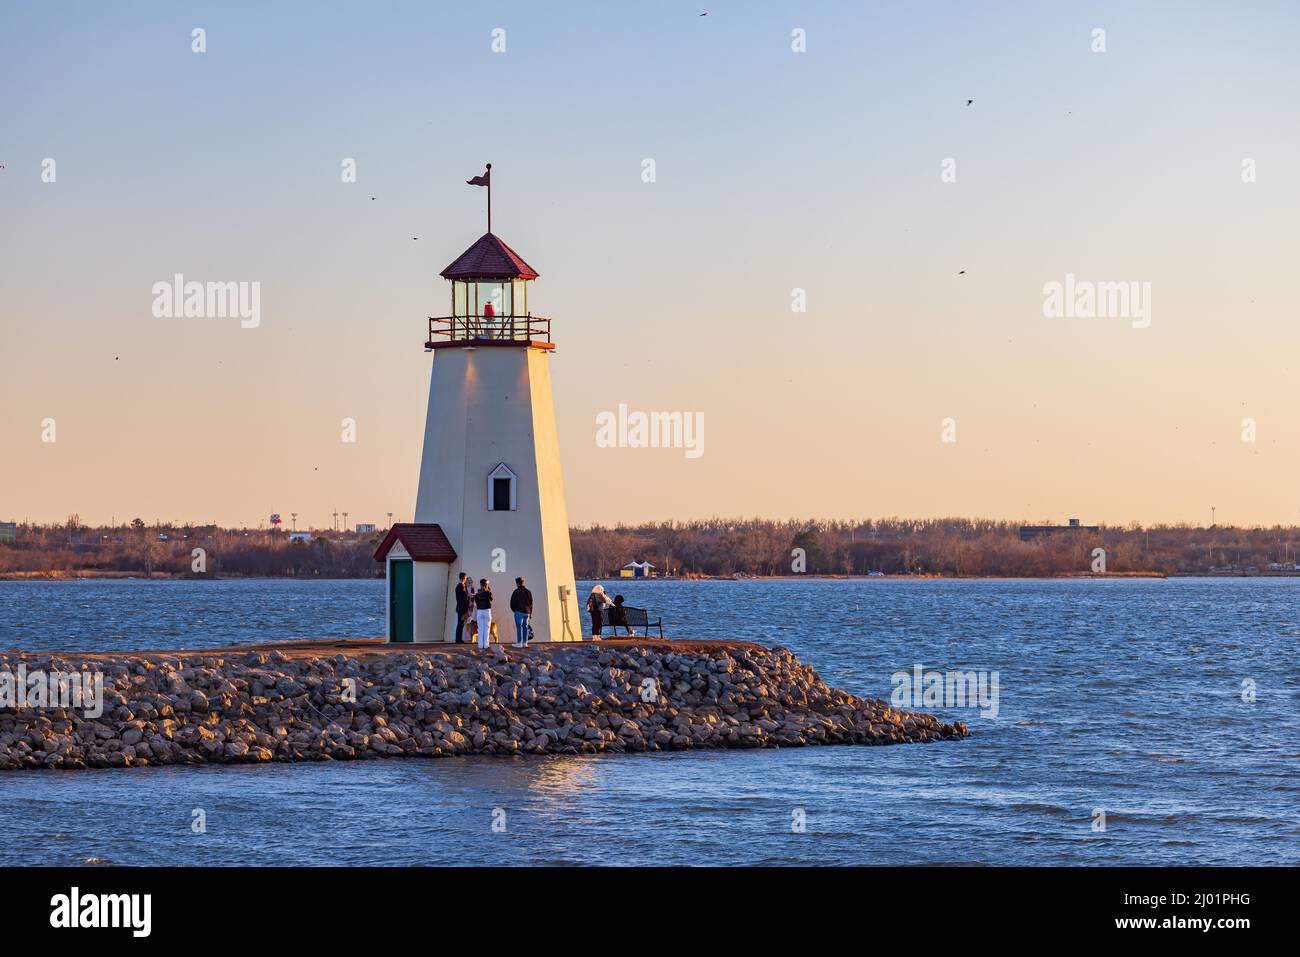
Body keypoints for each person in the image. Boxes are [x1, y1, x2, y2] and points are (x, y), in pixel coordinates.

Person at [510, 576, 533, 648]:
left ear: (517, 583)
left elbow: (512, 603)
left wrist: (514, 610)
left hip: (518, 612)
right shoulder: (528, 591)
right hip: (527, 612)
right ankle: (525, 643)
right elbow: (531, 603)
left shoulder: (516, 592)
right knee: (525, 627)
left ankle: (519, 643)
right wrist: (530, 613)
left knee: (519, 627)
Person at [473, 578, 494, 650]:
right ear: (486, 585)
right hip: (487, 611)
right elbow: (491, 599)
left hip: (480, 611)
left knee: (480, 629)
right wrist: (488, 588)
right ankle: (486, 644)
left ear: (480, 584)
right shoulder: (488, 592)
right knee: (487, 628)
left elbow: (476, 601)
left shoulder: (477, 593)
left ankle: (480, 645)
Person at [454, 572, 470, 643]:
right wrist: (468, 595)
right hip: (461, 608)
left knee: (461, 624)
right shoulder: (460, 586)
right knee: (460, 624)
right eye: (466, 578)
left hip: (461, 608)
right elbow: (462, 598)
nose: (466, 580)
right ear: (463, 578)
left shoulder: (462, 586)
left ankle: (459, 639)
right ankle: (458, 639)